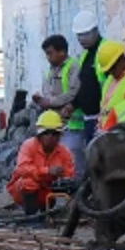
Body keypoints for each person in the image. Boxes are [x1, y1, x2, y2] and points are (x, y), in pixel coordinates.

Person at [32, 35, 87, 182]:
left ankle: (76, 190)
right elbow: (47, 92)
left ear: (62, 52)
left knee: (74, 163)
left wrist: (49, 102)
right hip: (56, 126)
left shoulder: (74, 67)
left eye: (50, 53)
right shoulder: (50, 71)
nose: (48, 57)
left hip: (73, 125)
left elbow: (73, 93)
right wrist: (41, 100)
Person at [67, 11, 121, 145]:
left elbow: (114, 85)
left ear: (95, 30)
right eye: (79, 35)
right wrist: (73, 104)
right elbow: (84, 86)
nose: (81, 39)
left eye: (85, 34)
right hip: (89, 118)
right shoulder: (85, 56)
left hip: (103, 117)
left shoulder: (105, 50)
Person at [7, 111, 76, 215]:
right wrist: (47, 171)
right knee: (28, 182)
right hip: (23, 191)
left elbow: (69, 175)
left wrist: (62, 177)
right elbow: (22, 169)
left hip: (48, 191)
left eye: (54, 133)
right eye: (47, 133)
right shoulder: (29, 146)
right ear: (40, 135)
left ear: (59, 136)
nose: (51, 137)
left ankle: (49, 213)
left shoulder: (64, 152)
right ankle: (31, 216)